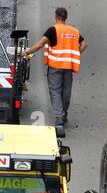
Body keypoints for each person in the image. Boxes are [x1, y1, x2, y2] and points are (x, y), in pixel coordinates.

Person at [24, 7, 87, 136]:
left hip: (55, 67)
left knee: (55, 91)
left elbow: (39, 45)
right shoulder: (74, 31)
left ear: (56, 16)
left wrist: (26, 52)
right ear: (66, 17)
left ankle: (59, 117)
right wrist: (75, 53)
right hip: (68, 67)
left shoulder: (53, 30)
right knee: (66, 91)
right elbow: (84, 44)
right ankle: (64, 114)